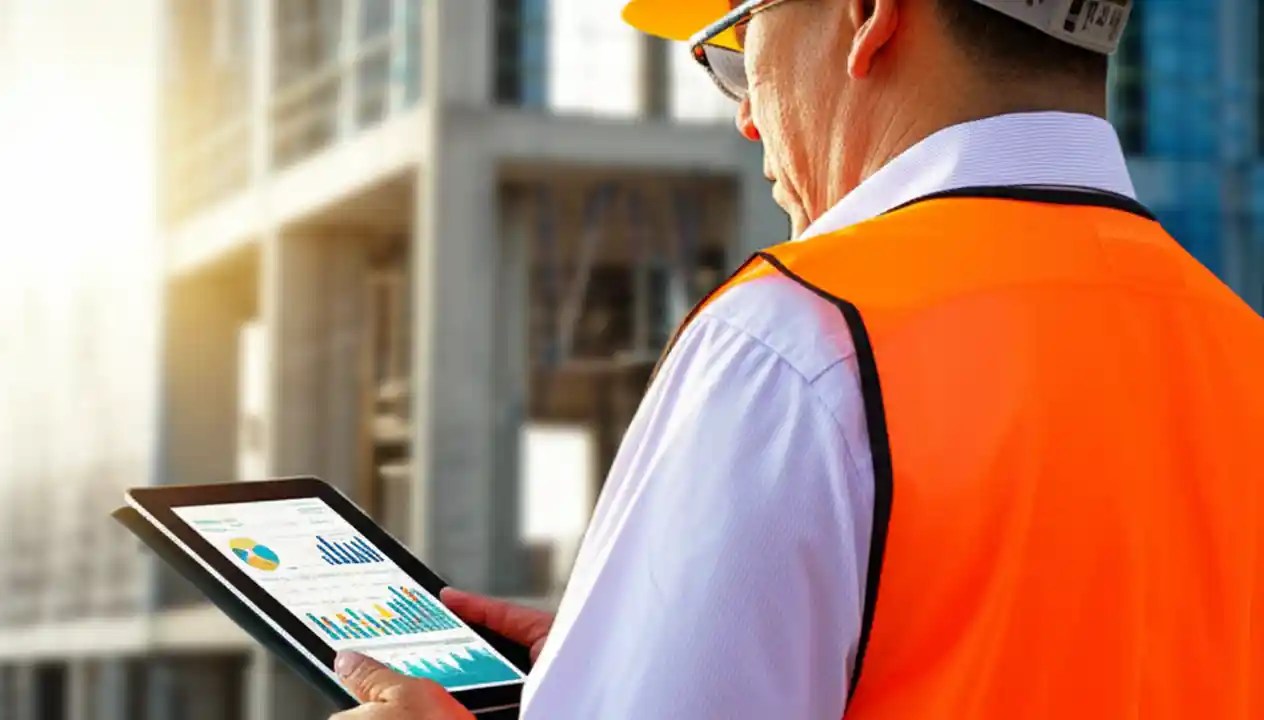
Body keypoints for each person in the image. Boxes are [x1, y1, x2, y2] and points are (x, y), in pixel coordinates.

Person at [331, 0, 1264, 718]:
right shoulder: (1236, 342)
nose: (746, 117)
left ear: (865, 17)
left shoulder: (797, 338)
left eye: (738, 43)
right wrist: (627, 656)